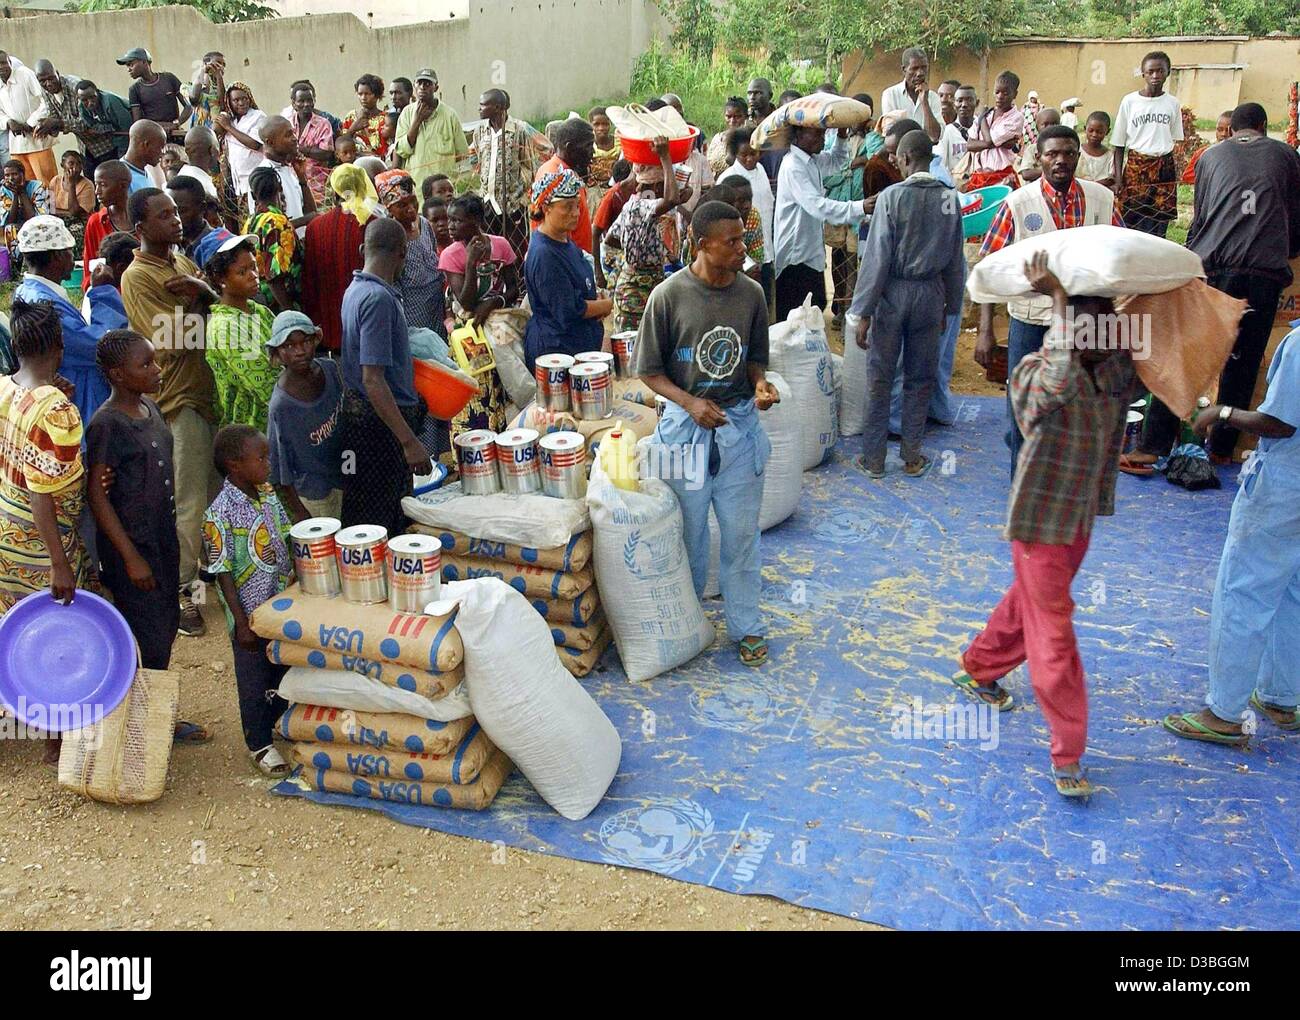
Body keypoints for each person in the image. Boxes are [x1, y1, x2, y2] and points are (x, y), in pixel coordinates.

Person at [958, 254, 1139, 799]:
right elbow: (1057, 383)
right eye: (1080, 326)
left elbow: (1133, 360)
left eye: (1099, 326)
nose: (1092, 336)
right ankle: (1068, 752)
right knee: (1053, 639)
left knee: (1028, 604)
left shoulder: (1113, 376)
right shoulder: (1033, 372)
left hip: (1075, 524)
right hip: (1039, 528)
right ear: (1063, 328)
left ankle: (979, 666)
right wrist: (1060, 302)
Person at [635, 200, 778, 668]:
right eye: (733, 241)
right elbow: (649, 372)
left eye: (743, 239)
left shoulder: (752, 294)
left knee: (741, 536)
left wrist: (758, 384)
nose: (743, 248)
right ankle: (691, 621)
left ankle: (746, 626)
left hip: (737, 429)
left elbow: (757, 357)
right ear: (702, 245)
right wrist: (690, 403)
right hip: (683, 431)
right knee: (689, 534)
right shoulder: (668, 296)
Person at [1128, 103, 1300, 469]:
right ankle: (1223, 447)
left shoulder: (1208, 158)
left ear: (1231, 129)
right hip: (1263, 275)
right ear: (1263, 127)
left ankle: (1152, 447)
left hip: (1214, 268)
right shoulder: (1287, 156)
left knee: (1185, 355)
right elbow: (1295, 223)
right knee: (1243, 362)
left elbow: (1201, 220)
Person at [1163, 325, 1300, 749]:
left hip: (1284, 486)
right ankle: (1281, 696)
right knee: (1293, 591)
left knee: (1244, 591)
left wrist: (1220, 413)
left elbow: (1279, 422)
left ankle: (1223, 712)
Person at [85, 327, 208, 747]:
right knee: (144, 634)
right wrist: (131, 557)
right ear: (118, 374)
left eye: (155, 360)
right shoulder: (107, 425)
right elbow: (98, 499)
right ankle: (140, 724)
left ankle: (153, 714)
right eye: (146, 364)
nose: (156, 370)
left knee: (165, 626)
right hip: (132, 549)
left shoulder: (151, 409)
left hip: (162, 540)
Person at [973, 124, 1121, 473]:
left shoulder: (1102, 200)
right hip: (1030, 321)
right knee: (1022, 406)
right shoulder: (1018, 204)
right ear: (1038, 158)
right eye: (1052, 154)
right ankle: (1021, 485)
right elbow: (987, 267)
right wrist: (985, 330)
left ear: (1078, 156)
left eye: (1069, 153)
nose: (1061, 161)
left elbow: (1120, 255)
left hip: (1082, 322)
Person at [121, 186, 221, 638]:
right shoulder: (137, 277)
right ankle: (185, 594)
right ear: (140, 229)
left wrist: (202, 293)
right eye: (164, 215)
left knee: (217, 497)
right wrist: (203, 297)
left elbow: (210, 319)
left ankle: (213, 573)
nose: (177, 219)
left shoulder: (179, 262)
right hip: (177, 400)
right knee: (189, 503)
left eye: (176, 212)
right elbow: (169, 341)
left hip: (206, 392)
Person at [850, 131, 964, 478]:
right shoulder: (950, 199)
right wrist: (950, 308)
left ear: (904, 159)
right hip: (930, 295)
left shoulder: (891, 197)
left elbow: (877, 258)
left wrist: (863, 312)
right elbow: (955, 262)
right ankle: (912, 457)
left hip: (893, 295)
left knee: (880, 378)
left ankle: (874, 460)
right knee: (920, 377)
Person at [202, 423, 294, 777]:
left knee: (281, 667)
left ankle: (282, 722)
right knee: (253, 679)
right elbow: (222, 571)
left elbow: (285, 532)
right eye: (261, 457)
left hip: (280, 603)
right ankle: (259, 743)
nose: (268, 463)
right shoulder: (219, 512)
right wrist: (240, 622)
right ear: (235, 465)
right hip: (249, 615)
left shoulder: (267, 492)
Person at [339, 216, 433, 535]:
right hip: (380, 428)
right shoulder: (378, 299)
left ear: (362, 249)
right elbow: (373, 379)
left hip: (364, 421)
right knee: (385, 523)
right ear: (402, 253)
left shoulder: (356, 289)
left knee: (367, 514)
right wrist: (409, 442)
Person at [0, 299, 88, 613]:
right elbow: (41, 494)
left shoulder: (4, 388)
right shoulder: (56, 409)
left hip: (7, 536)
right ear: (60, 345)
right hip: (42, 543)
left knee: (16, 629)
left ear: (15, 345)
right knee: (54, 630)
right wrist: (58, 563)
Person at [12, 214, 119, 428]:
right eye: (70, 252)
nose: (74, 257)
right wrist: (103, 292)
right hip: (79, 396)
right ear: (57, 257)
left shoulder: (28, 291)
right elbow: (98, 345)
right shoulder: (45, 304)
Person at [772, 120, 867, 321]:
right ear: (798, 136)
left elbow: (837, 161)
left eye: (823, 134)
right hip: (795, 257)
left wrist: (841, 135)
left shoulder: (811, 160)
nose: (822, 139)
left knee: (814, 309)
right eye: (816, 135)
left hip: (809, 254)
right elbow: (818, 206)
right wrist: (860, 207)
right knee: (795, 320)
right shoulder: (794, 166)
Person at [524, 168, 610, 369]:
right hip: (556, 353)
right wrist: (606, 305)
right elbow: (568, 310)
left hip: (576, 347)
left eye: (577, 206)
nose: (576, 213)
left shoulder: (565, 241)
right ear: (546, 208)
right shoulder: (545, 254)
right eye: (568, 207)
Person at [266, 311, 345, 522]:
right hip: (313, 496)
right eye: (288, 346)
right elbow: (278, 468)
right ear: (277, 352)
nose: (299, 351)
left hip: (342, 479)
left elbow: (346, 426)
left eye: (306, 341)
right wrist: (299, 511)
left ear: (316, 339)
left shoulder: (330, 369)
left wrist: (352, 472)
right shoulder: (282, 406)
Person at [604, 142, 684, 332]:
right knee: (636, 350)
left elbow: (610, 238)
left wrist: (639, 246)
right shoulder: (639, 207)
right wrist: (665, 156)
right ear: (657, 187)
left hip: (638, 285)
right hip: (636, 292)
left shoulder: (633, 206)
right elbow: (672, 199)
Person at [466, 88, 552, 259]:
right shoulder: (480, 130)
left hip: (514, 201)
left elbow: (546, 149)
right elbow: (473, 155)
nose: (479, 109)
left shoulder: (520, 129)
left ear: (498, 108)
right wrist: (482, 174)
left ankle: (518, 282)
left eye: (483, 105)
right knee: (489, 247)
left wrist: (527, 180)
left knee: (516, 248)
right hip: (488, 200)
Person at [204, 235, 277, 432]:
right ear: (221, 280)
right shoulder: (225, 327)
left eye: (253, 267)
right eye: (242, 272)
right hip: (253, 433)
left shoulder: (258, 310)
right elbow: (267, 387)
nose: (253, 275)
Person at [302, 163, 374, 353]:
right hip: (367, 322)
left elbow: (310, 279)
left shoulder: (315, 227)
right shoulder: (374, 224)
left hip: (329, 326)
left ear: (334, 192)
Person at [1112, 51, 1182, 236]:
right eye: (1150, 71)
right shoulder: (1130, 101)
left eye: (1160, 71)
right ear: (1143, 73)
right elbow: (1118, 145)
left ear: (1167, 73)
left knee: (1160, 220)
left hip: (1164, 168)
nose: (1155, 76)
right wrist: (1119, 180)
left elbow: (1175, 140)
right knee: (1132, 218)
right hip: (1137, 167)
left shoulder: (1172, 103)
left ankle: (1157, 259)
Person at [821, 99, 876, 327]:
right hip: (838, 207)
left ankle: (850, 312)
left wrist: (860, 160)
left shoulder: (872, 140)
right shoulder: (835, 140)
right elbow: (828, 177)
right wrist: (848, 169)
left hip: (859, 211)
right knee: (838, 259)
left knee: (854, 261)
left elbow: (876, 156)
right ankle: (839, 308)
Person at [377, 168, 447, 335]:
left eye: (413, 201)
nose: (411, 209)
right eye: (402, 205)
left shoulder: (424, 224)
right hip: (412, 313)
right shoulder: (390, 236)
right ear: (389, 208)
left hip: (437, 307)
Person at [441, 192, 520, 327]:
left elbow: (514, 289)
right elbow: (466, 303)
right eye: (449, 219)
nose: (450, 226)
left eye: (457, 221)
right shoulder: (449, 255)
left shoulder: (501, 245)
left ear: (476, 221)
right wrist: (471, 262)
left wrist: (495, 302)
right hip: (470, 322)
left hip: (502, 318)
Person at [718, 127, 775, 305]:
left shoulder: (762, 172)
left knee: (763, 304)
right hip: (740, 257)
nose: (750, 159)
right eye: (744, 155)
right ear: (735, 154)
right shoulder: (728, 178)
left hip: (765, 251)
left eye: (754, 153)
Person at [394, 68, 466, 192]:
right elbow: (401, 151)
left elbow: (462, 154)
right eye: (419, 83)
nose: (423, 87)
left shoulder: (450, 115)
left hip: (443, 190)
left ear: (436, 88)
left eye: (427, 84)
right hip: (416, 188)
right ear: (414, 86)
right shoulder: (407, 114)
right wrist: (417, 121)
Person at [242, 165, 302, 313]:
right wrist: (291, 313)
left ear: (253, 196)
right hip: (279, 305)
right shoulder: (276, 223)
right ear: (280, 189)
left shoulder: (250, 222)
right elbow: (274, 277)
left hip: (259, 300)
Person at [535, 117, 596, 253]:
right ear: (569, 148)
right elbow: (557, 234)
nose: (593, 152)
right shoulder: (560, 179)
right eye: (588, 146)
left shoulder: (554, 170)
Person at [0, 52, 57, 187]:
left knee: (47, 183)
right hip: (16, 144)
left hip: (37, 139)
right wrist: (8, 122)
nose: (1, 67)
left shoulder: (24, 74)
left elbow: (46, 100)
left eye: (3, 63)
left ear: (10, 61)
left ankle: (52, 209)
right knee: (24, 185)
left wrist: (29, 124)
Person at [964, 71, 1024, 190]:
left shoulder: (1016, 118)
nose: (1000, 96)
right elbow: (970, 145)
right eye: (997, 92)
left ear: (1015, 94)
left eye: (1005, 93)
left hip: (1002, 177)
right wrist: (1001, 143)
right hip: (979, 176)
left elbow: (989, 142)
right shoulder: (989, 114)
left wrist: (981, 120)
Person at [81, 159, 132, 289]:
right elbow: (89, 269)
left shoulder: (143, 218)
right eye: (96, 184)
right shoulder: (96, 221)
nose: (97, 191)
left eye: (103, 185)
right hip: (107, 295)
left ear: (123, 185)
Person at [119, 47, 191, 138]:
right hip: (153, 137)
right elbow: (138, 123)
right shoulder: (134, 89)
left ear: (144, 62)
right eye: (127, 66)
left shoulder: (169, 78)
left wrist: (176, 124)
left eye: (131, 64)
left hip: (174, 135)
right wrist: (161, 127)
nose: (129, 69)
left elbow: (188, 106)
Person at [216, 81, 267, 201]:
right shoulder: (231, 120)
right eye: (236, 100)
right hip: (239, 182)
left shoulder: (258, 116)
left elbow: (255, 144)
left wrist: (229, 128)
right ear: (230, 102)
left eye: (245, 98)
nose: (242, 103)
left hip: (256, 178)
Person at [880, 47, 943, 143]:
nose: (920, 73)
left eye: (924, 67)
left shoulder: (933, 97)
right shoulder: (890, 95)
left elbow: (934, 136)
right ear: (904, 69)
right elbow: (890, 133)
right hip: (900, 153)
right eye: (914, 68)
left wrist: (925, 102)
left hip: (926, 154)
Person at [592, 159, 635, 291]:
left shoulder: (640, 193)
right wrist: (598, 271)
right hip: (612, 255)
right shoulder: (613, 196)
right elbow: (595, 232)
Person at [73, 79, 132, 176]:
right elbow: (93, 126)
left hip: (127, 135)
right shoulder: (82, 108)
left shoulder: (110, 101)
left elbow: (128, 128)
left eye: (93, 97)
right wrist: (108, 128)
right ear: (78, 99)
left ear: (98, 92)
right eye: (85, 100)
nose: (90, 102)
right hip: (115, 139)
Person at [288, 84, 335, 205]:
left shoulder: (323, 124)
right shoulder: (287, 123)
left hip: (317, 185)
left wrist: (299, 149)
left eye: (309, 100)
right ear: (293, 103)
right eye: (301, 101)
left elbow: (327, 153)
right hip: (292, 183)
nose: (306, 104)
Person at [1, 159, 51, 273]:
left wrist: (22, 192)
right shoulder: (4, 190)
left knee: (35, 228)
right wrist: (15, 194)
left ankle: (36, 265)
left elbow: (36, 219)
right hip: (18, 226)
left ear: (23, 174)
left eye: (14, 174)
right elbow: (10, 220)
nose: (11, 178)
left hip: (38, 224)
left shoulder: (38, 187)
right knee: (10, 229)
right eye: (7, 175)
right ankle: (16, 267)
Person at [30, 60, 84, 153]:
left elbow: (87, 123)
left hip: (105, 143)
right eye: (42, 81)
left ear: (57, 73)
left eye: (51, 78)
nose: (48, 84)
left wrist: (58, 123)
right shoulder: (45, 91)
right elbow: (53, 116)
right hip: (85, 146)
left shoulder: (75, 87)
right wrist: (45, 127)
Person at [341, 73, 388, 158]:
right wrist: (353, 128)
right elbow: (341, 145)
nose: (363, 97)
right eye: (360, 94)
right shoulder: (351, 117)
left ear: (377, 95)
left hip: (380, 164)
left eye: (367, 94)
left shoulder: (386, 119)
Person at [586, 105, 621, 217]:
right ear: (590, 124)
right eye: (596, 124)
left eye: (605, 124)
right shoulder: (588, 145)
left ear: (610, 124)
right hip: (596, 187)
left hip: (618, 184)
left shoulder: (619, 143)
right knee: (594, 203)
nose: (601, 128)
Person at [1180, 109, 1232, 184]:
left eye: (1228, 130)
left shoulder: (1241, 155)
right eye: (1220, 130)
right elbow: (1187, 177)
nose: (1223, 134)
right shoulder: (1203, 153)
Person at [1016, 107, 1061, 183]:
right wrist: (1053, 170)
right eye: (1045, 124)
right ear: (1037, 128)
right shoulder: (1032, 149)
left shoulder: (1062, 148)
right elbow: (1026, 174)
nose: (1049, 127)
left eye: (1054, 124)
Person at [123, 118, 167, 194]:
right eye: (160, 147)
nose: (162, 153)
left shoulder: (146, 171)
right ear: (146, 145)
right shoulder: (121, 176)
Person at [940, 85, 976, 174]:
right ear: (954, 104)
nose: (964, 105)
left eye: (969, 100)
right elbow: (943, 164)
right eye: (960, 101)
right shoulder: (948, 131)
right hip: (957, 183)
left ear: (977, 103)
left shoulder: (982, 127)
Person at [186, 51, 226, 131]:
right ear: (205, 64)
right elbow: (194, 99)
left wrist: (218, 76)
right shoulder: (191, 85)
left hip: (216, 134)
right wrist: (203, 71)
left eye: (223, 65)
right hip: (198, 132)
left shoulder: (224, 88)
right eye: (218, 63)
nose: (221, 67)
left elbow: (223, 105)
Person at [1075, 111, 1115, 188]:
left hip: (1101, 195)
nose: (1094, 135)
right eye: (1091, 130)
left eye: (1099, 132)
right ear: (1085, 129)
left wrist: (1091, 185)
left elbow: (1111, 179)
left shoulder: (1110, 156)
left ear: (1107, 132)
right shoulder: (1077, 151)